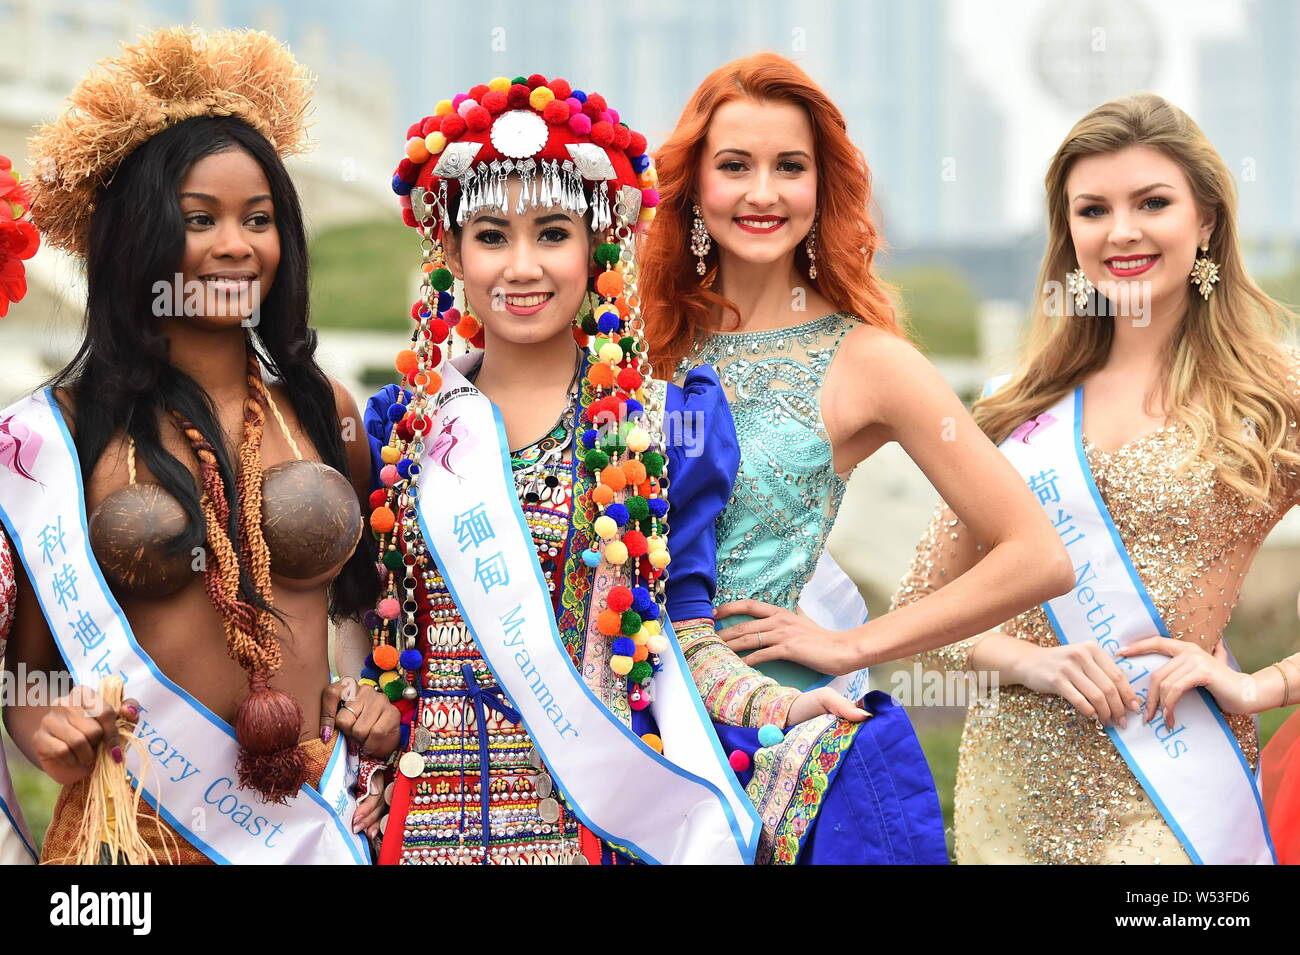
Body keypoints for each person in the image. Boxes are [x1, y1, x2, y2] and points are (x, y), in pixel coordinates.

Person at [361, 72, 877, 865]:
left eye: (553, 233)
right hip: (422, 820)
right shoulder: (406, 431)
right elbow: (377, 637)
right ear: (452, 254)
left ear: (597, 246)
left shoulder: (669, 426)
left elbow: (686, 640)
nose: (521, 266)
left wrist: (784, 703)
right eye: (491, 236)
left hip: (596, 822)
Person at [639, 53, 1072, 863]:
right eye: (735, 165)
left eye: (789, 167)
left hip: (767, 736)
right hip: (620, 730)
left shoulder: (868, 362)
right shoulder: (638, 343)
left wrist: (852, 646)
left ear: (822, 186)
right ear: (696, 185)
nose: (763, 192)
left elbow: (1038, 554)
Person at [0, 27, 395, 865]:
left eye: (259, 219)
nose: (234, 245)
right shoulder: (63, 433)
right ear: (140, 238)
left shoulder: (323, 408)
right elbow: (23, 673)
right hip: (129, 828)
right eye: (198, 219)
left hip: (306, 823)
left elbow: (369, 601)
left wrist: (371, 694)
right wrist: (51, 732)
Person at [891, 93, 1299, 864]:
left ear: (1206, 220)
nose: (1122, 231)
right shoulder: (1021, 401)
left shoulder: (1272, 397)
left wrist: (1263, 685)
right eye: (1092, 209)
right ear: (1068, 232)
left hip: (1177, 782)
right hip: (1010, 785)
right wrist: (1030, 660)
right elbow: (922, 607)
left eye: (1152, 202)